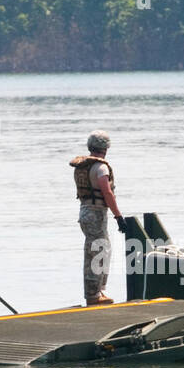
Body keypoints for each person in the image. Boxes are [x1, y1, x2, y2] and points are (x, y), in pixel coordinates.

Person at [70, 130, 125, 306]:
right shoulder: (101, 168)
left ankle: (97, 291)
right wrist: (118, 216)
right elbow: (106, 192)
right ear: (106, 148)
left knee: (96, 251)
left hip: (85, 211)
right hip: (95, 213)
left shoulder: (84, 166)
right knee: (99, 252)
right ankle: (94, 295)